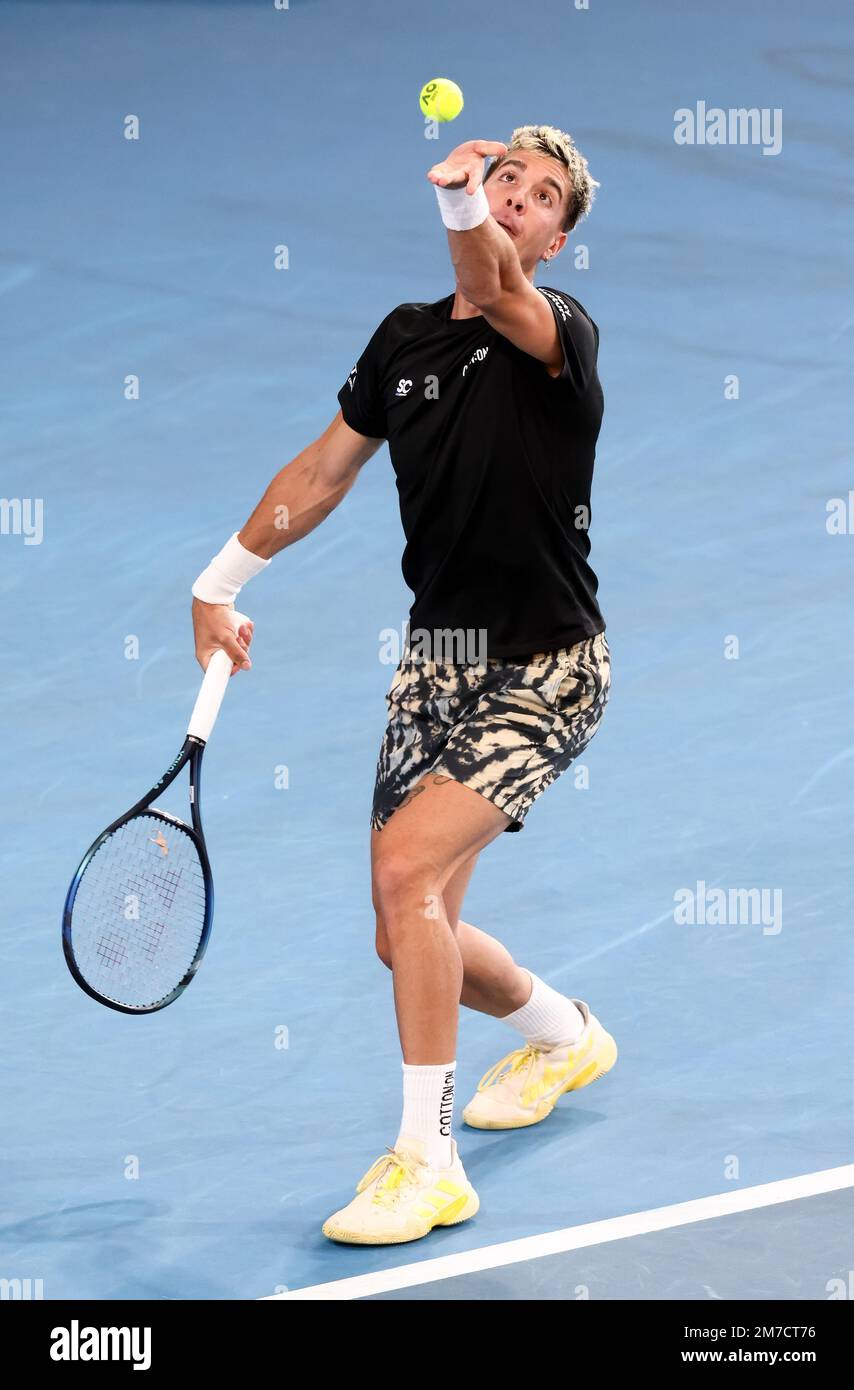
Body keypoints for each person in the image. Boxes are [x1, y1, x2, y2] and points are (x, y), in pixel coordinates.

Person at [191, 124, 617, 1247]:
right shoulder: (402, 339)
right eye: (504, 178)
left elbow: (485, 274)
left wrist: (460, 203)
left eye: (536, 195)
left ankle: (426, 1162)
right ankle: (562, 1031)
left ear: (555, 239)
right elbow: (324, 472)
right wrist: (220, 579)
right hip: (436, 665)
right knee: (402, 926)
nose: (514, 198)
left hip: (546, 669)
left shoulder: (557, 334)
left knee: (400, 869)